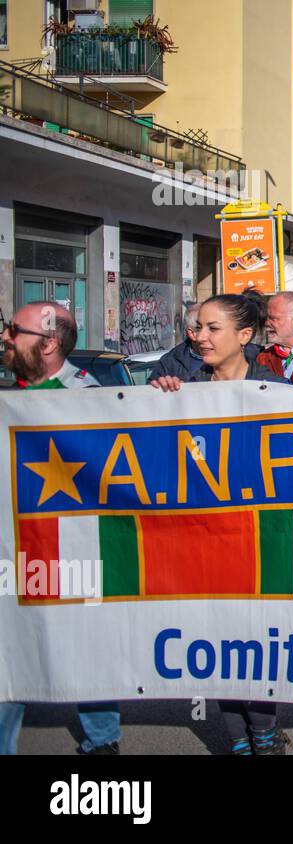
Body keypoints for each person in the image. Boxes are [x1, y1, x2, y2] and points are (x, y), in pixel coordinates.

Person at [151, 294, 290, 754]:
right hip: (204, 539)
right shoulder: (181, 388)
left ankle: (266, 737)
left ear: (244, 336)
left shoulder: (275, 390)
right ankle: (238, 743)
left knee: (258, 647)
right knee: (220, 648)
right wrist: (158, 404)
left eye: (213, 329)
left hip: (261, 539)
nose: (200, 337)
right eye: (197, 328)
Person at [0, 302, 122, 756]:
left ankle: (103, 738)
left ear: (49, 343)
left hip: (72, 549)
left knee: (81, 642)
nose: (7, 337)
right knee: (8, 646)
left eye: (16, 330)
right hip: (13, 549)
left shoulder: (87, 398)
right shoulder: (11, 394)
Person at [149, 302, 204, 381]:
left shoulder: (226, 358)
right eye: (211, 328)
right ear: (192, 333)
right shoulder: (169, 362)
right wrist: (167, 389)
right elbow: (150, 391)